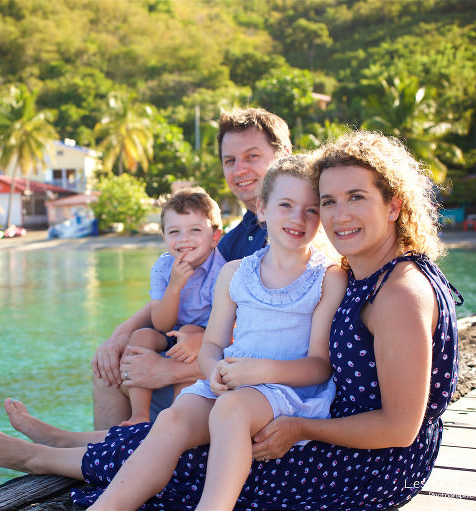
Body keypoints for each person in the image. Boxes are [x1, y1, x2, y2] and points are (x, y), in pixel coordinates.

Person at [0, 131, 462, 510]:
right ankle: (55, 457)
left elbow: (399, 429)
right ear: (265, 211)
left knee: (187, 459)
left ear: (395, 204)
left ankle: (40, 457)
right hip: (315, 424)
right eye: (330, 201)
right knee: (173, 431)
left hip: (367, 462)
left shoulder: (398, 291)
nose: (335, 214)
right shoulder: (358, 271)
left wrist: (299, 428)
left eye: (356, 197)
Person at [87, 155, 348, 510]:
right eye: (285, 204)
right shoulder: (235, 273)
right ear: (261, 208)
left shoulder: (327, 277)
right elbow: (211, 345)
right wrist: (215, 373)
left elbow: (319, 366)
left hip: (287, 390)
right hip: (233, 381)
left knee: (231, 410)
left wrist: (258, 372)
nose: (297, 218)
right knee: (173, 417)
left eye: (311, 209)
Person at [92, 107, 292, 428]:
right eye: (230, 160)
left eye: (252, 156)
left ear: (283, 155)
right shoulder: (237, 236)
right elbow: (184, 288)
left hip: (256, 382)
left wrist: (171, 371)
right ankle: (105, 459)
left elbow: (279, 334)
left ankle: (88, 454)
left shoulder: (292, 234)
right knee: (112, 363)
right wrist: (119, 335)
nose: (239, 169)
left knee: (134, 373)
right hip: (215, 354)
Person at [120, 187, 226, 426]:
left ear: (215, 237)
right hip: (169, 332)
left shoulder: (223, 271)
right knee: (141, 336)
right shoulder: (162, 267)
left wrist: (197, 338)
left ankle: (177, 415)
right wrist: (175, 286)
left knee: (188, 331)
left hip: (203, 338)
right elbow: (161, 324)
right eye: (174, 232)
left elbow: (228, 324)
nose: (184, 239)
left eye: (195, 230)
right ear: (164, 237)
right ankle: (139, 416)